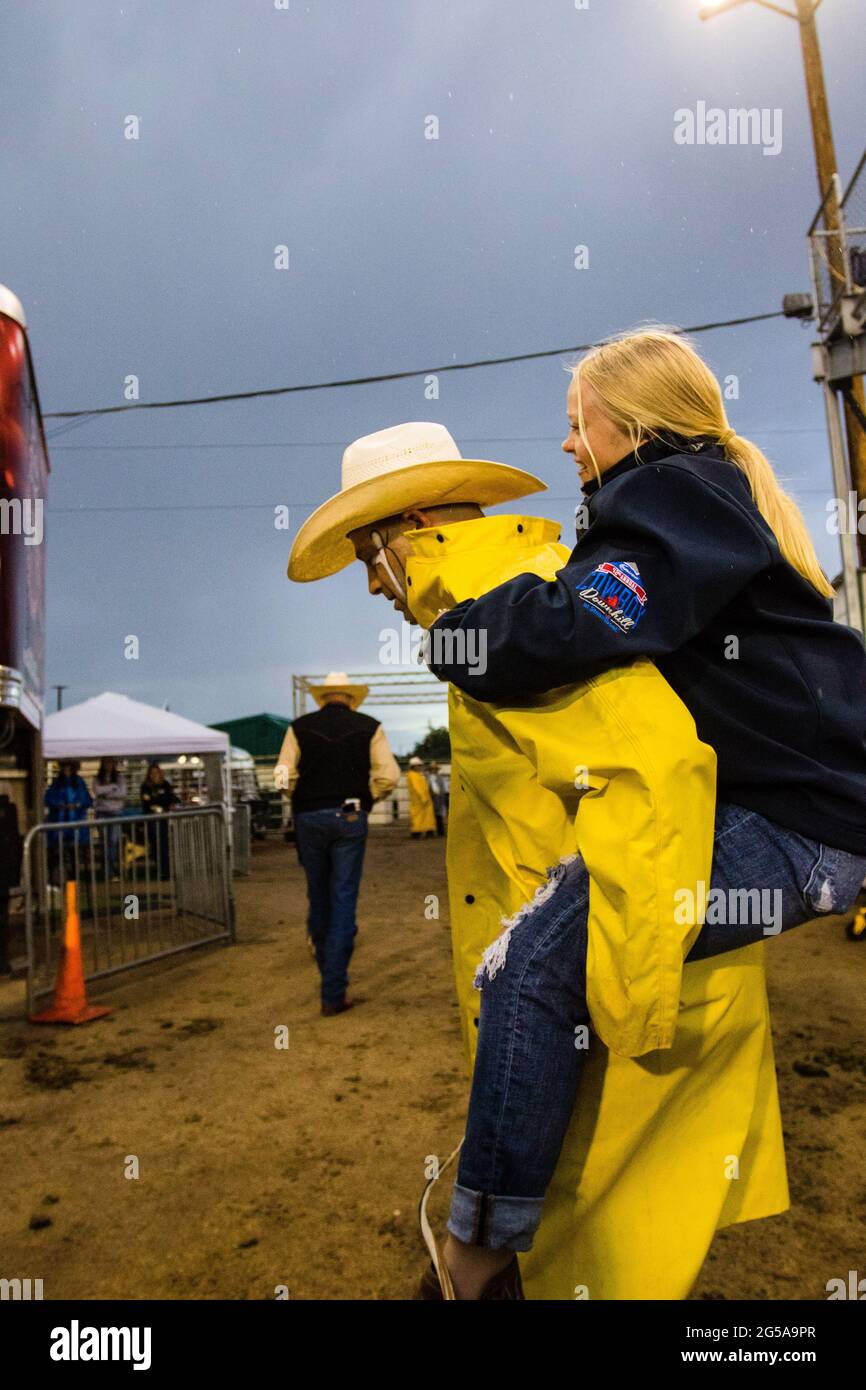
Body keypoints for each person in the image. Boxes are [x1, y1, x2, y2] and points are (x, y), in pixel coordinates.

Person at [286, 418, 824, 1301]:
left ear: (405, 530)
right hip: (605, 978)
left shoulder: (501, 608)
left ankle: (476, 1259)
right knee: (606, 1248)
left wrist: (609, 977)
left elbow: (652, 765)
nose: (367, 580)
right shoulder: (503, 599)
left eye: (363, 551)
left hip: (618, 991)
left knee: (598, 1257)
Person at [276, 672, 400, 1016]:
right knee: (343, 897)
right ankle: (333, 990)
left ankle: (327, 972)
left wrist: (297, 796)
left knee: (318, 896)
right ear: (351, 698)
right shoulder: (369, 726)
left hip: (309, 817)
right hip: (349, 816)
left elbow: (283, 774)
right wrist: (368, 797)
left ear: (323, 698)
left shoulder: (299, 727)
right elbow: (389, 775)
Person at [44, 760, 93, 884]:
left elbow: (86, 800)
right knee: (59, 854)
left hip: (76, 826)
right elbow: (48, 799)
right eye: (64, 767)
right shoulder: (57, 782)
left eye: (69, 767)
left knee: (74, 855)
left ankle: (74, 880)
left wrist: (76, 805)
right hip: (59, 826)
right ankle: (60, 879)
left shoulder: (79, 782)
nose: (66, 769)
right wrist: (58, 805)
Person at [140, 763, 179, 881]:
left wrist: (160, 802)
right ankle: (160, 870)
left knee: (165, 845)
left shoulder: (165, 784)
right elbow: (148, 803)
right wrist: (160, 802)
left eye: (157, 772)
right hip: (151, 819)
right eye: (152, 773)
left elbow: (171, 798)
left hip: (163, 819)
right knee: (156, 845)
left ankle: (166, 871)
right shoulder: (145, 786)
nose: (155, 775)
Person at [93, 758, 126, 878]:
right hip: (102, 813)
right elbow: (97, 791)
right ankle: (107, 871)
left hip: (116, 813)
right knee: (105, 842)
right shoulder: (97, 779)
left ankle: (111, 870)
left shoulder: (120, 778)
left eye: (111, 762)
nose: (109, 765)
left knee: (113, 842)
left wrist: (105, 793)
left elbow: (122, 794)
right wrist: (112, 788)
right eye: (107, 762)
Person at [406, 756, 436, 838]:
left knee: (426, 816)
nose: (420, 767)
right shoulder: (413, 775)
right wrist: (423, 798)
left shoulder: (417, 775)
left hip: (422, 799)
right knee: (419, 816)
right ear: (414, 766)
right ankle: (417, 832)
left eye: (420, 765)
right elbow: (417, 788)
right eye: (418, 765)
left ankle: (427, 831)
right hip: (419, 799)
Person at [427, 762, 448, 836]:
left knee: (439, 816)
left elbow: (443, 788)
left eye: (435, 769)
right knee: (431, 815)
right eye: (432, 769)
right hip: (431, 797)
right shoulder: (428, 778)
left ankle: (440, 831)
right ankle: (431, 831)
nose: (434, 770)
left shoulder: (439, 778)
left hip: (439, 797)